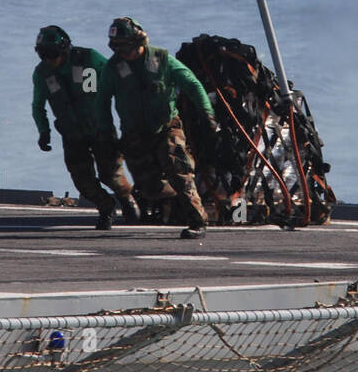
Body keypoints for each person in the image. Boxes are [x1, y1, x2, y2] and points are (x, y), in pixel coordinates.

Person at [99, 17, 218, 239]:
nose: (122, 52)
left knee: (177, 168)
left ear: (139, 41)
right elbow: (101, 102)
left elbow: (191, 84)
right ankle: (176, 196)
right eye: (117, 47)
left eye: (125, 47)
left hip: (166, 127)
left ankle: (198, 221)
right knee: (149, 187)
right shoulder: (112, 68)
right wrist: (105, 133)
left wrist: (207, 114)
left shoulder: (162, 61)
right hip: (134, 134)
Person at [32, 25, 139, 230]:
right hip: (72, 133)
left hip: (100, 129)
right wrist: (43, 131)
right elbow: (38, 105)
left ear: (64, 49)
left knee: (111, 175)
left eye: (52, 53)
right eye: (43, 54)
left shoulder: (88, 60)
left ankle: (128, 200)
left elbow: (116, 78)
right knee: (82, 181)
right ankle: (106, 206)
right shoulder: (42, 73)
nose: (48, 59)